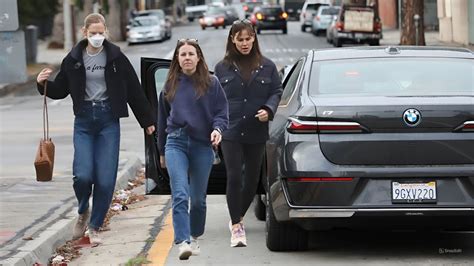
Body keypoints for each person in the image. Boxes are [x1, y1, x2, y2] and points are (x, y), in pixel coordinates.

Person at [36, 13, 156, 246]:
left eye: (101, 33)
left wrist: (148, 120)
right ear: (85, 33)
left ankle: (95, 225)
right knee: (82, 175)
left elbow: (134, 89)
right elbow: (60, 89)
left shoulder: (116, 57)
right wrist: (42, 84)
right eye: (93, 34)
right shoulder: (73, 59)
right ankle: (83, 210)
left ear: (106, 33)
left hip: (108, 121)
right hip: (83, 121)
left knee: (105, 178)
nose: (97, 37)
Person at [158, 39, 229, 260]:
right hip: (176, 143)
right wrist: (161, 151)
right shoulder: (170, 85)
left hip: (202, 145)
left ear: (198, 58)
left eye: (191, 54)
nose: (187, 58)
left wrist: (218, 129)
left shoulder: (212, 83)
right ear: (177, 60)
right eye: (183, 55)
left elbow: (222, 112)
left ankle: (195, 235)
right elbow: (162, 120)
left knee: (198, 200)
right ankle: (183, 241)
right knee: (180, 194)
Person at [214, 19, 282, 247]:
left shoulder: (268, 66)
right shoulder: (222, 67)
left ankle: (238, 214)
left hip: (256, 130)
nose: (244, 43)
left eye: (248, 38)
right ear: (232, 40)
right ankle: (236, 225)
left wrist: (268, 110)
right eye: (240, 39)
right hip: (230, 130)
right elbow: (214, 100)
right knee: (234, 176)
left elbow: (276, 91)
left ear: (254, 38)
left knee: (252, 180)